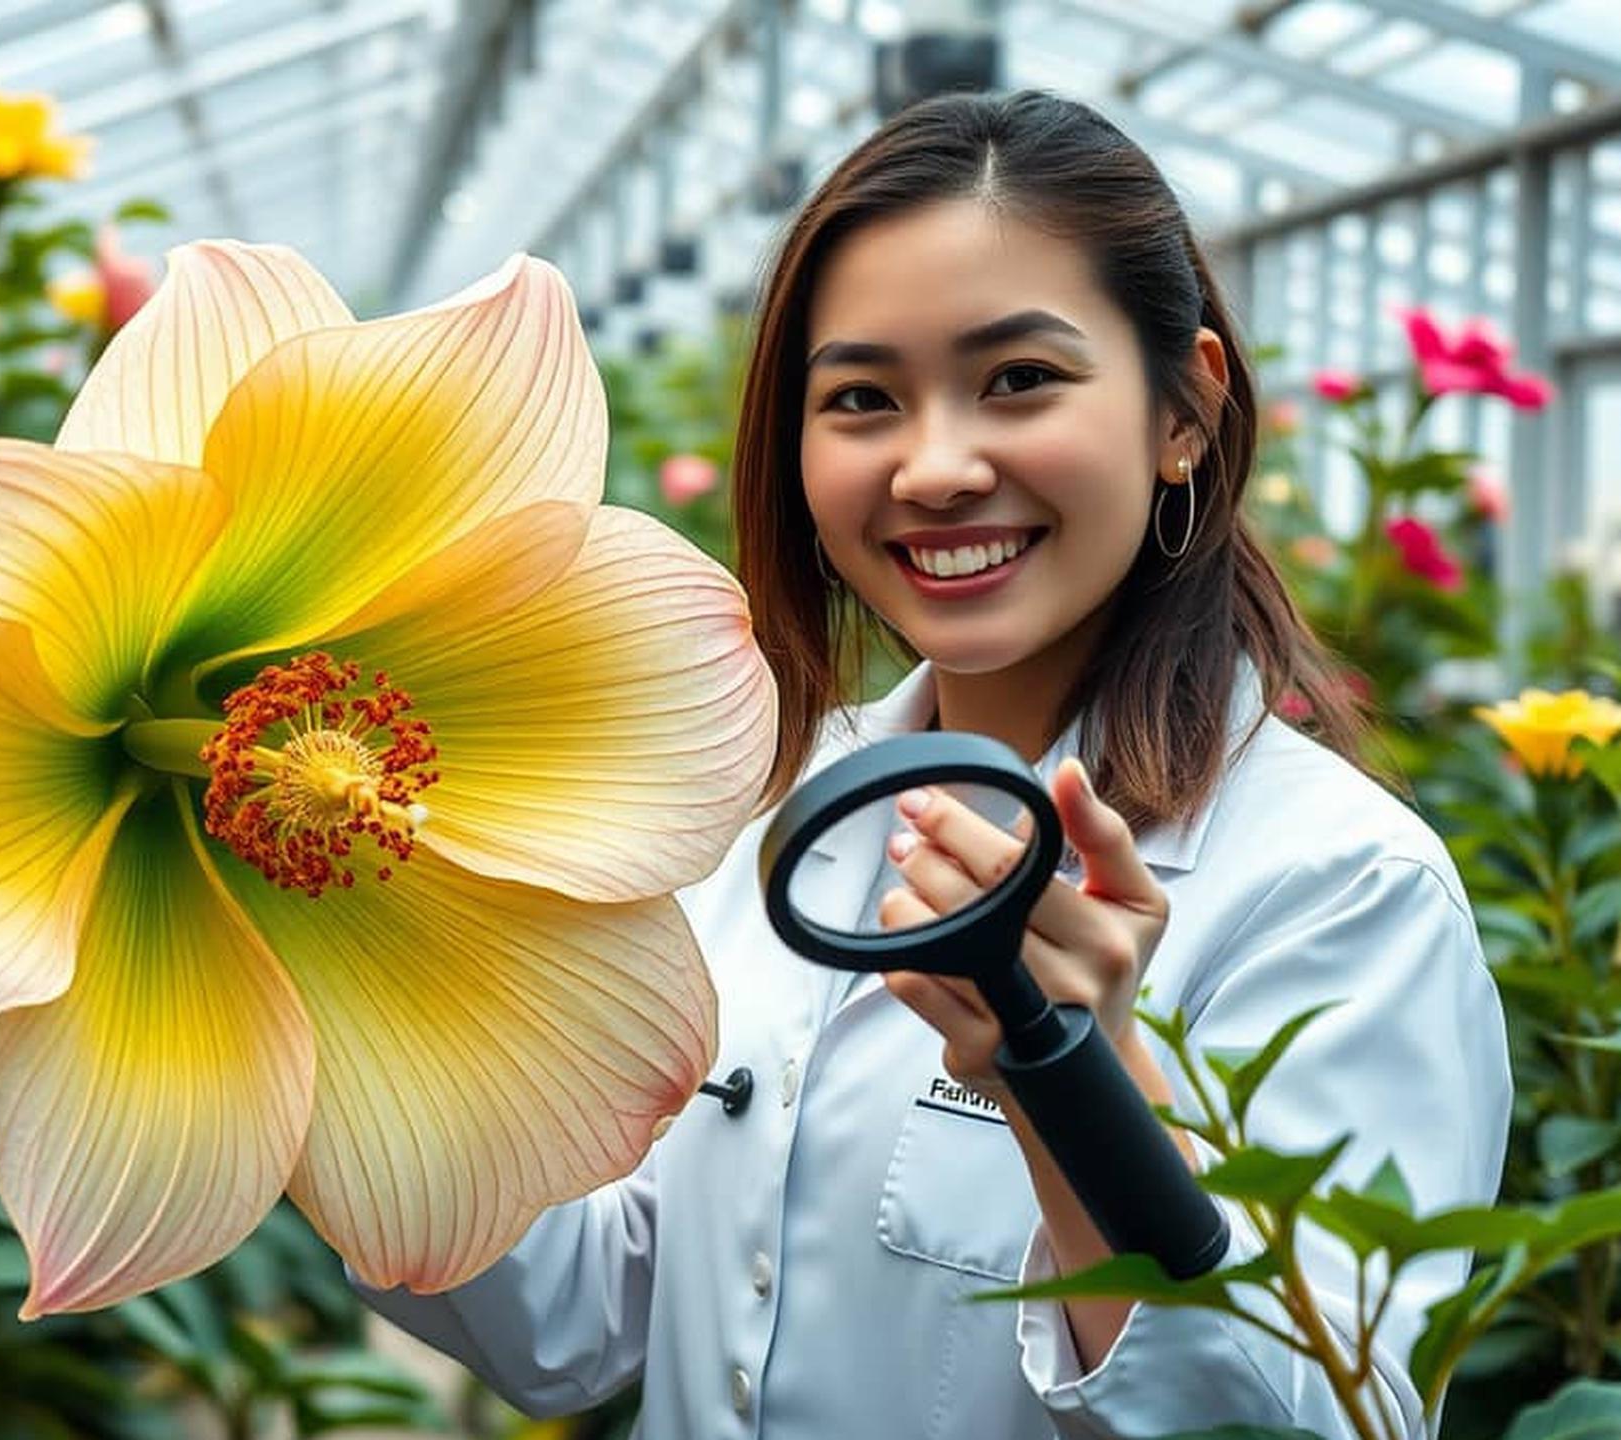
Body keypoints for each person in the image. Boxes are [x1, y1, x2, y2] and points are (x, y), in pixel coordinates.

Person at [358, 89, 1511, 1440]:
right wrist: (318, 975)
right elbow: (575, 1321)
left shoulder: (1336, 890)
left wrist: (1078, 1077)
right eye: (861, 399)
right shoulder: (774, 809)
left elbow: (1315, 1423)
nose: (937, 467)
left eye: (1019, 379)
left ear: (1185, 408)